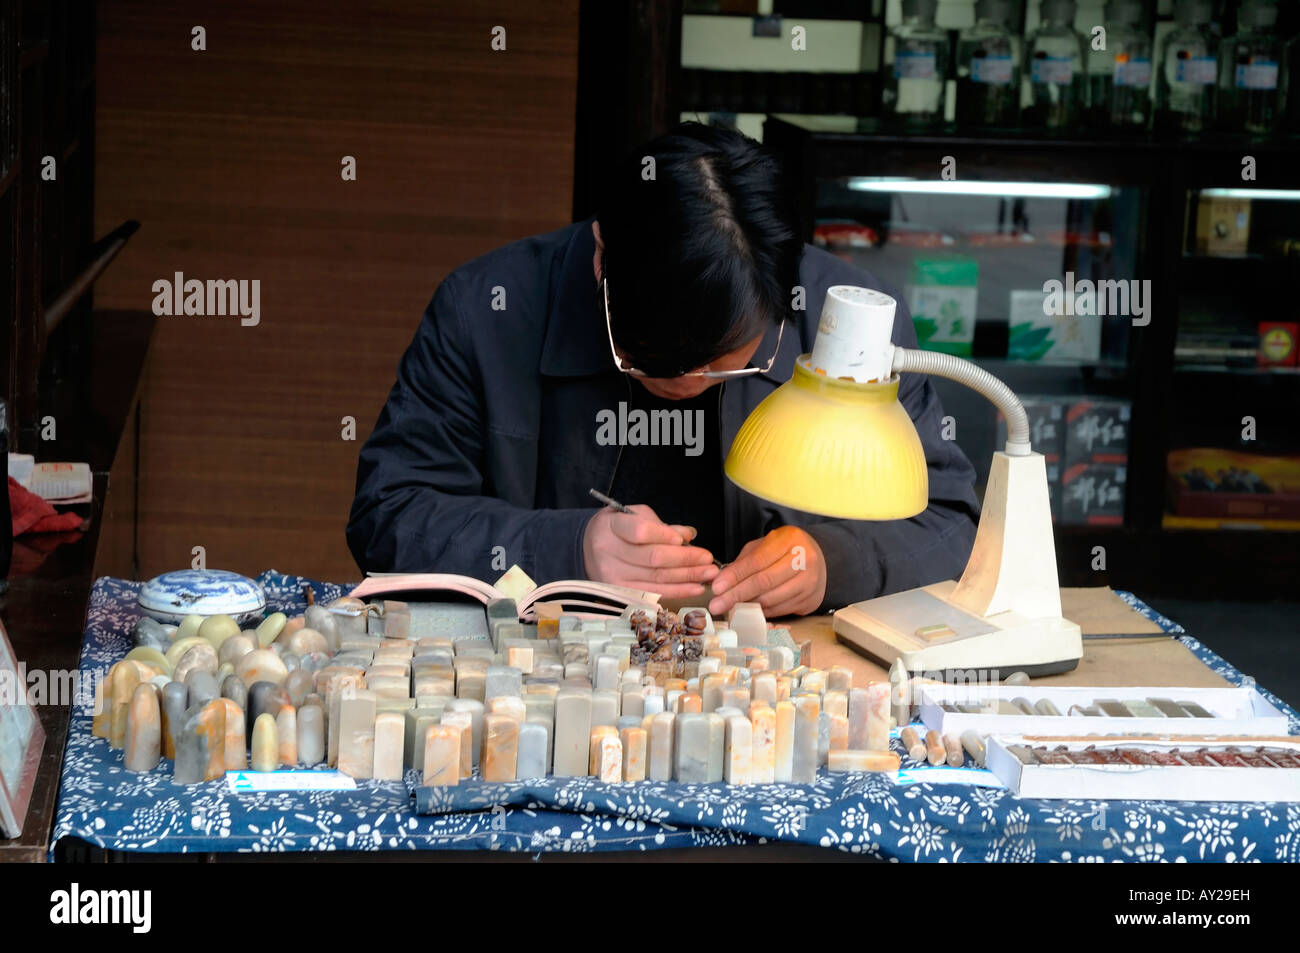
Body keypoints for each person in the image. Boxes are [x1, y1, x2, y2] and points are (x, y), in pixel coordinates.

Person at [347, 123, 979, 618]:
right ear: (602, 258)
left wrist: (827, 563)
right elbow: (388, 517)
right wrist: (570, 550)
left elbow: (952, 525)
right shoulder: (487, 310)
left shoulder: (845, 326)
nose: (691, 388)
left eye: (725, 367)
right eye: (658, 367)